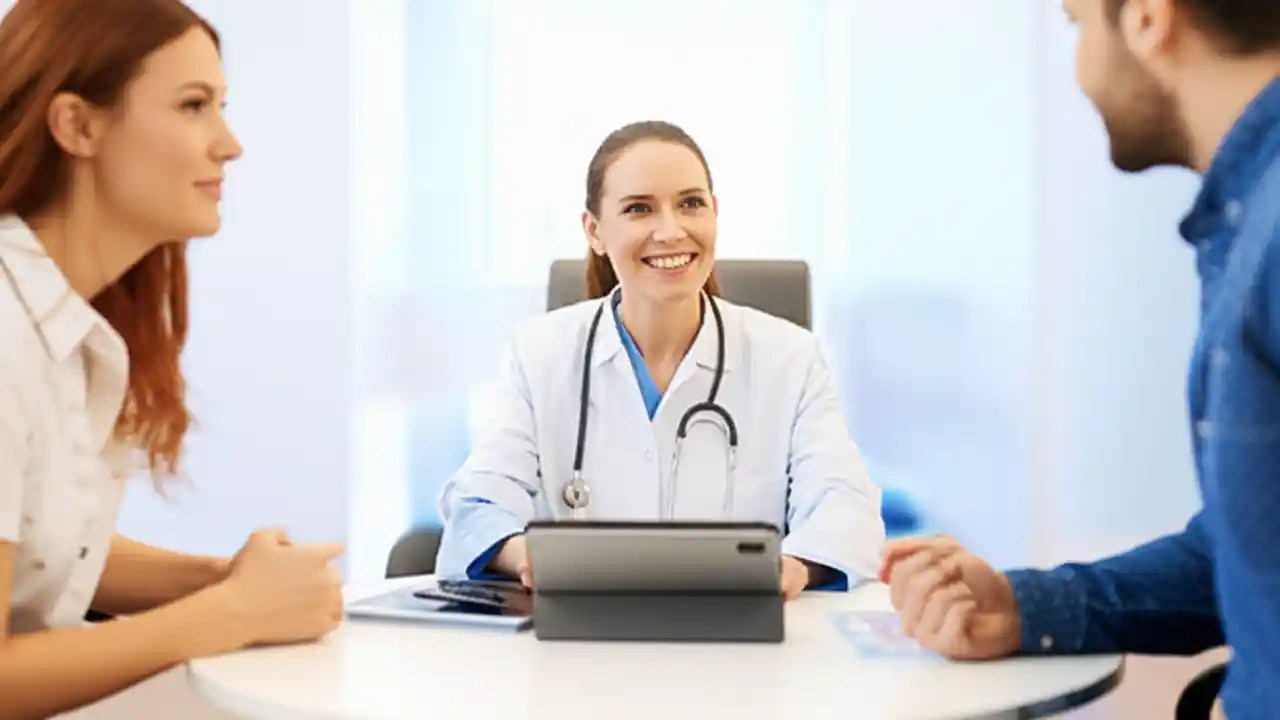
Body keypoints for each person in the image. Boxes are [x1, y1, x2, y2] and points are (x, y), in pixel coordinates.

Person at [880, 0, 1280, 716]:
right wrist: (1028, 608)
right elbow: (1249, 546)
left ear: (1149, 20)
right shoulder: (1249, 219)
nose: (1081, 70)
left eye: (1077, 25)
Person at [0, 1, 343, 716]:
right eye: (193, 106)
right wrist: (235, 613)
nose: (230, 143)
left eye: (221, 105)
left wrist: (222, 582)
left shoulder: (70, 324)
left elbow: (39, 549)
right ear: (77, 125)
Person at [436, 121, 885, 599]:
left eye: (691, 203)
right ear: (595, 231)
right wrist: (526, 557)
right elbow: (477, 504)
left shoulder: (790, 358)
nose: (671, 231)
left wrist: (796, 568)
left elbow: (846, 506)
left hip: (740, 644)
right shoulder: (538, 354)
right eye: (639, 209)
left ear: (715, 212)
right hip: (580, 642)